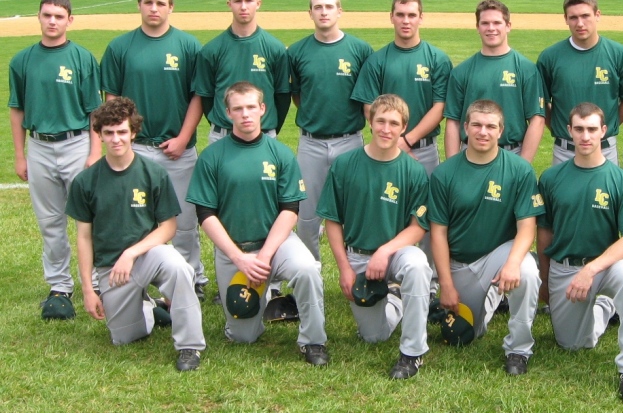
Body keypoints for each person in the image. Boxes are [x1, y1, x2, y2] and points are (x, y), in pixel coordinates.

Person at [186, 81, 328, 365]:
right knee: (243, 336)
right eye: (238, 109)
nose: (245, 114)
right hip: (235, 250)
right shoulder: (213, 156)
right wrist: (241, 259)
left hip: (276, 245)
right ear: (228, 113)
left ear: (263, 109)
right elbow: (205, 215)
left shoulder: (280, 153)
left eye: (251, 107)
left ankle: (313, 341)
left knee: (307, 269)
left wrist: (263, 257)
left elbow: (290, 209)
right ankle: (257, 307)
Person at [67, 97, 205, 371]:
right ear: (100, 134)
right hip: (111, 267)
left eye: (121, 131)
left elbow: (168, 227)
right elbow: (83, 237)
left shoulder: (153, 173)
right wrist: (87, 289)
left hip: (147, 254)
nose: (116, 139)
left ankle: (190, 346)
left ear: (133, 132)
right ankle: (148, 306)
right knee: (125, 337)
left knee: (179, 267)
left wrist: (132, 252)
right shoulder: (85, 181)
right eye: (109, 132)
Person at [100, 0, 208, 301]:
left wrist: (183, 138)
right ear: (139, 5)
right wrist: (123, 142)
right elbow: (112, 100)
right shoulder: (120, 47)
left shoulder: (189, 46)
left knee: (185, 222)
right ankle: (140, 281)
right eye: (148, 2)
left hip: (178, 150)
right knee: (138, 220)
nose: (154, 8)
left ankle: (193, 278)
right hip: (136, 150)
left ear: (172, 6)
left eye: (161, 3)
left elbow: (198, 96)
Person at [536, 102, 623, 401]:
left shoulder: (621, 180)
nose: (585, 136)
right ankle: (603, 308)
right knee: (573, 344)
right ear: (568, 131)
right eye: (579, 129)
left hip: (605, 266)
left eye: (591, 129)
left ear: (604, 131)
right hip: (566, 268)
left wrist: (591, 269)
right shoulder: (550, 178)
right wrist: (545, 279)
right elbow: (544, 233)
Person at [317, 94, 432, 379]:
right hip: (358, 256)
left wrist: (385, 251)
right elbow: (332, 220)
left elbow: (419, 227)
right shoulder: (345, 165)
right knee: (373, 336)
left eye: (394, 123)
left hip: (396, 254)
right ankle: (395, 298)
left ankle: (413, 352)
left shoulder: (414, 171)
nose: (386, 128)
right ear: (370, 122)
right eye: (380, 120)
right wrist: (344, 267)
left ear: (403, 128)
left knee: (418, 264)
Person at [429, 99, 543, 375]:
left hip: (499, 256)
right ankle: (489, 296)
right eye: (477, 125)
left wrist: (514, 262)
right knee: (463, 336)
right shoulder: (445, 173)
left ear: (501, 131)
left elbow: (528, 226)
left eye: (491, 126)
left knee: (526, 269)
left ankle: (518, 349)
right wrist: (445, 284)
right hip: (461, 264)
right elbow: (438, 233)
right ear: (465, 127)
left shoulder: (519, 170)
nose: (483, 132)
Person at [8, 0, 102, 319]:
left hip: (76, 142)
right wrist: (20, 156)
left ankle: (97, 281)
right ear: (39, 16)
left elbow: (95, 111)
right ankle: (59, 286)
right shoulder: (22, 61)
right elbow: (17, 110)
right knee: (50, 221)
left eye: (59, 16)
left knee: (89, 217)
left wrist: (95, 151)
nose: (52, 21)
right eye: (47, 14)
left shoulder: (82, 58)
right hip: (40, 145)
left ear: (69, 20)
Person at [288, 0, 374, 261]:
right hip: (311, 142)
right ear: (310, 12)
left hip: (350, 140)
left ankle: (356, 272)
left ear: (340, 11)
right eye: (317, 7)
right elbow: (299, 95)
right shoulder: (298, 51)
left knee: (355, 211)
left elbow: (367, 99)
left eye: (329, 6)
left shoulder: (360, 50)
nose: (323, 12)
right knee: (307, 214)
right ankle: (309, 272)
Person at [537, 0, 623, 166]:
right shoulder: (550, 57)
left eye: (585, 16)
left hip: (605, 148)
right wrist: (559, 127)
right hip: (564, 151)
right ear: (565, 19)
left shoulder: (619, 54)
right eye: (573, 17)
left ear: (597, 15)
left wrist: (608, 124)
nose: (580, 23)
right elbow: (540, 102)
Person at [352, 0, 452, 175]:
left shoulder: (438, 59)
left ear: (421, 18)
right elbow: (370, 108)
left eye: (412, 15)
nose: (406, 21)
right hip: (386, 149)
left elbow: (440, 107)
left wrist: (407, 141)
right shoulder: (377, 61)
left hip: (425, 151)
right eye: (400, 14)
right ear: (391, 17)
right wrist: (394, 141)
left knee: (424, 204)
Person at [443, 0, 544, 163]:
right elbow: (453, 122)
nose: (491, 28)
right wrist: (453, 166)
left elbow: (537, 119)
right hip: (471, 154)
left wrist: (523, 165)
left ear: (508, 26)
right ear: (477, 27)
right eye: (485, 23)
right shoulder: (461, 72)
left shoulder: (526, 69)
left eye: (497, 22)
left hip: (513, 154)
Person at [193, 0, 289, 144]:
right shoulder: (211, 50)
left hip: (264, 135)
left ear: (258, 3)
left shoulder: (275, 48)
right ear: (229, 4)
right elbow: (206, 97)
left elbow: (282, 96)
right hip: (222, 136)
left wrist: (268, 127)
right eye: (238, 1)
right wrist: (223, 123)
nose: (243, 7)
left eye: (248, 1)